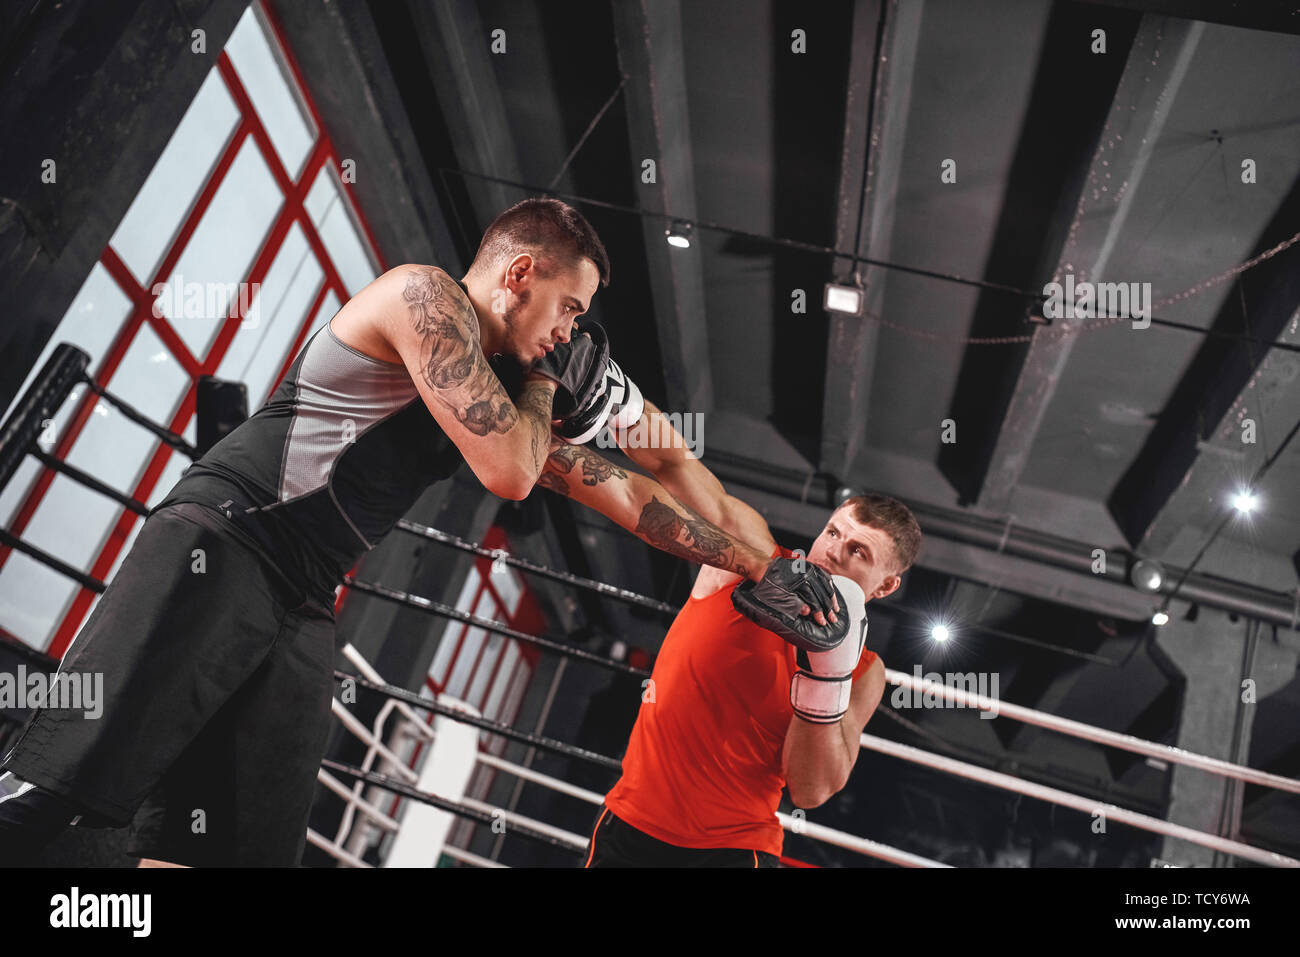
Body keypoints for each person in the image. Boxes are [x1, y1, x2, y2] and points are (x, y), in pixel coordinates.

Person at [0, 197, 844, 867]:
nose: (570, 334)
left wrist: (763, 567)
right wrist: (549, 382)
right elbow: (513, 471)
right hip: (225, 539)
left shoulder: (500, 401)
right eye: (570, 309)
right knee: (59, 780)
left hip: (299, 600)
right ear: (520, 270)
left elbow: (632, 500)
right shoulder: (421, 297)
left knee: (224, 846)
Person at [562, 468, 923, 867]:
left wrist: (825, 674)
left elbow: (811, 791)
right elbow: (672, 466)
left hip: (734, 848)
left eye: (859, 551)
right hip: (631, 822)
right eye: (834, 533)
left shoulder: (865, 670)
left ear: (886, 586)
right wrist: (620, 411)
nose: (834, 552)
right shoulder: (752, 558)